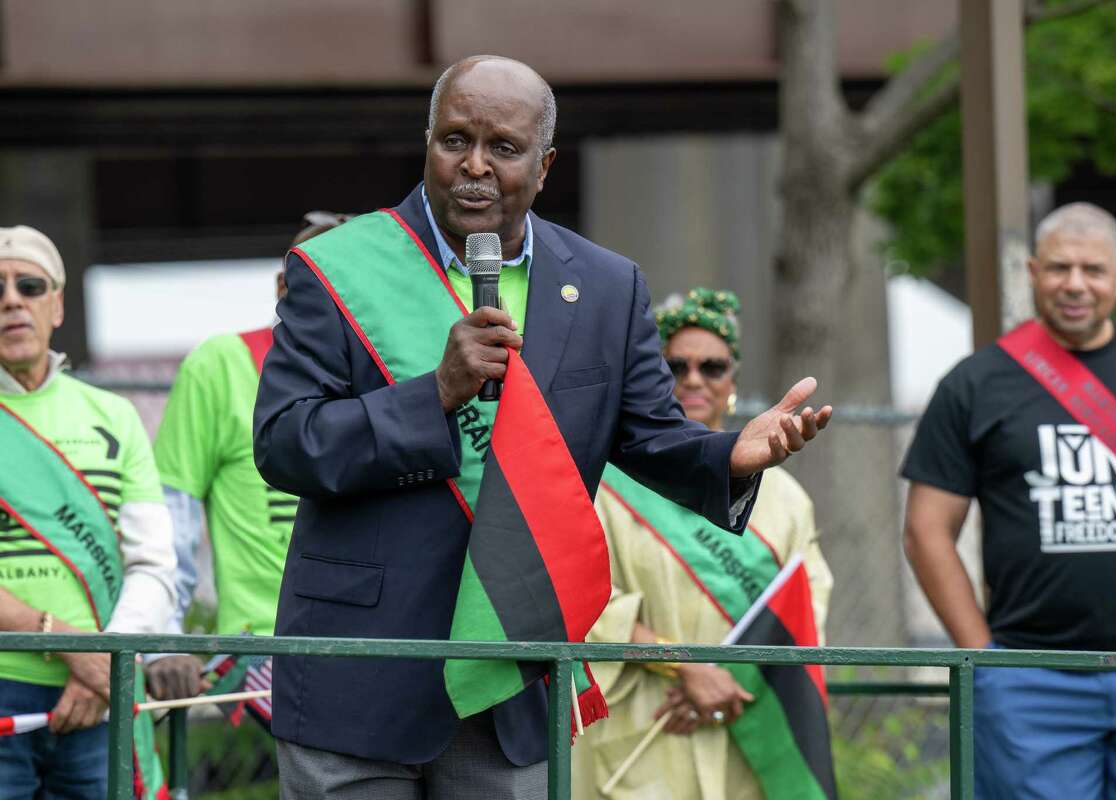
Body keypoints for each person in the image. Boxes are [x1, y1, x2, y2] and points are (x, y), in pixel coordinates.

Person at [253, 55, 833, 800]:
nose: (474, 166)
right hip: (361, 670)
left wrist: (731, 456)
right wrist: (436, 392)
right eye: (454, 139)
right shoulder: (335, 268)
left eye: (503, 147)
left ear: (545, 163)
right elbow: (286, 443)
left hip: (510, 669)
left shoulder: (603, 284)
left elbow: (650, 436)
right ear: (426, 139)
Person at [902, 202, 1116, 798]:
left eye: (1093, 270)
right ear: (1033, 273)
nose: (1075, 284)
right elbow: (926, 530)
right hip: (1031, 679)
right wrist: (983, 657)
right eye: (1060, 268)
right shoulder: (975, 383)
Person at [573, 288, 835, 800]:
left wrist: (723, 681)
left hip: (745, 721)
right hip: (644, 721)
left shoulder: (785, 496)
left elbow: (805, 606)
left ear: (732, 381)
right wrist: (686, 666)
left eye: (712, 367)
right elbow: (581, 596)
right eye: (675, 366)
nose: (693, 379)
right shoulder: (604, 482)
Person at [145, 211, 352, 703]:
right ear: (285, 286)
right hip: (262, 648)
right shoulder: (221, 363)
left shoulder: (401, 369)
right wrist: (163, 643)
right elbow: (171, 515)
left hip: (380, 640)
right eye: (326, 279)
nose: (343, 296)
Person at [0, 225, 176, 797]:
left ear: (57, 304)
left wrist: (105, 664)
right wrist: (71, 644)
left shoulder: (115, 415)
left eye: (29, 285)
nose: (11, 301)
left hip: (99, 694)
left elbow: (154, 565)